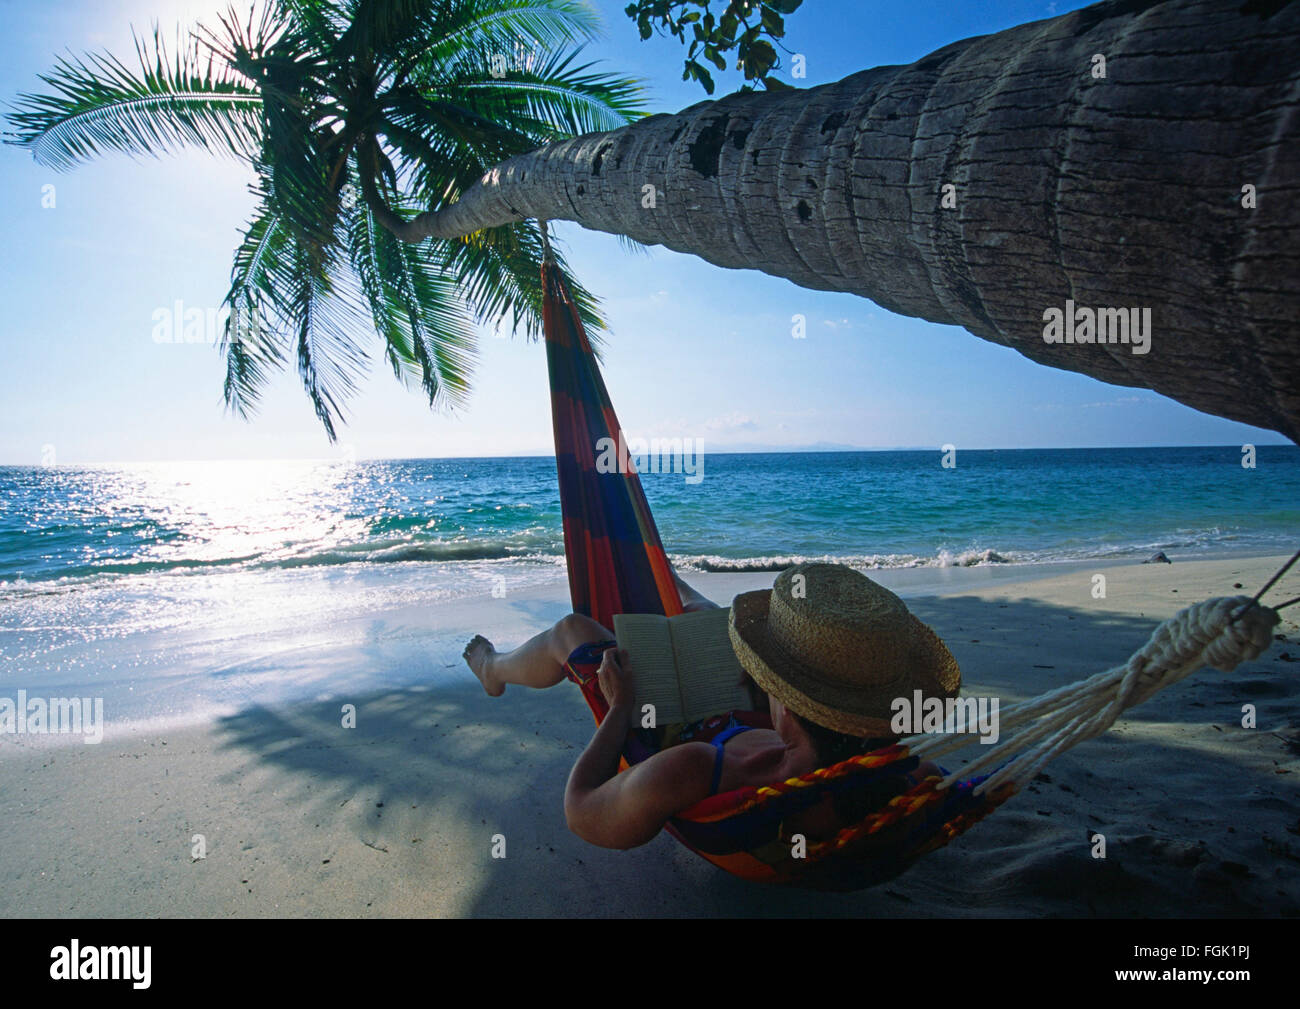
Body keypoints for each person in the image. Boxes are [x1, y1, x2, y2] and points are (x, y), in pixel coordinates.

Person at [463, 562, 961, 850]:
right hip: (756, 723)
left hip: (665, 724)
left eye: (766, 676)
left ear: (784, 705)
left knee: (572, 630)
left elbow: (581, 810)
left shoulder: (694, 769)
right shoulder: (899, 777)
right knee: (708, 616)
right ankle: (663, 573)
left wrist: (620, 706)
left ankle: (494, 670)